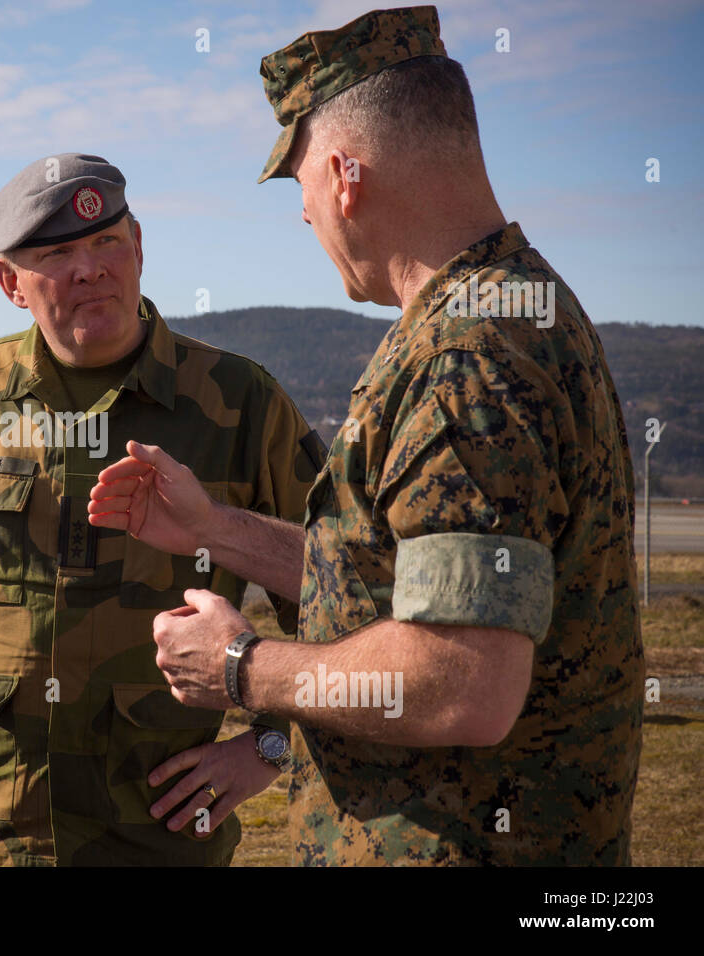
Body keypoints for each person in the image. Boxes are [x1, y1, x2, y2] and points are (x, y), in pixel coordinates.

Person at [89, 6, 644, 865]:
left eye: (302, 185)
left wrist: (241, 667)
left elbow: (464, 684)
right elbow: (398, 582)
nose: (306, 217)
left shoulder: (469, 356)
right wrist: (214, 529)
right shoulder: (513, 306)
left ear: (345, 176)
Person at [0, 153, 323, 865]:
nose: (89, 268)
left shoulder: (239, 400)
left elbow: (342, 583)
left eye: (106, 242)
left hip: (159, 837)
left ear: (137, 248)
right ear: (11, 284)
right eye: (56, 253)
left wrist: (268, 745)